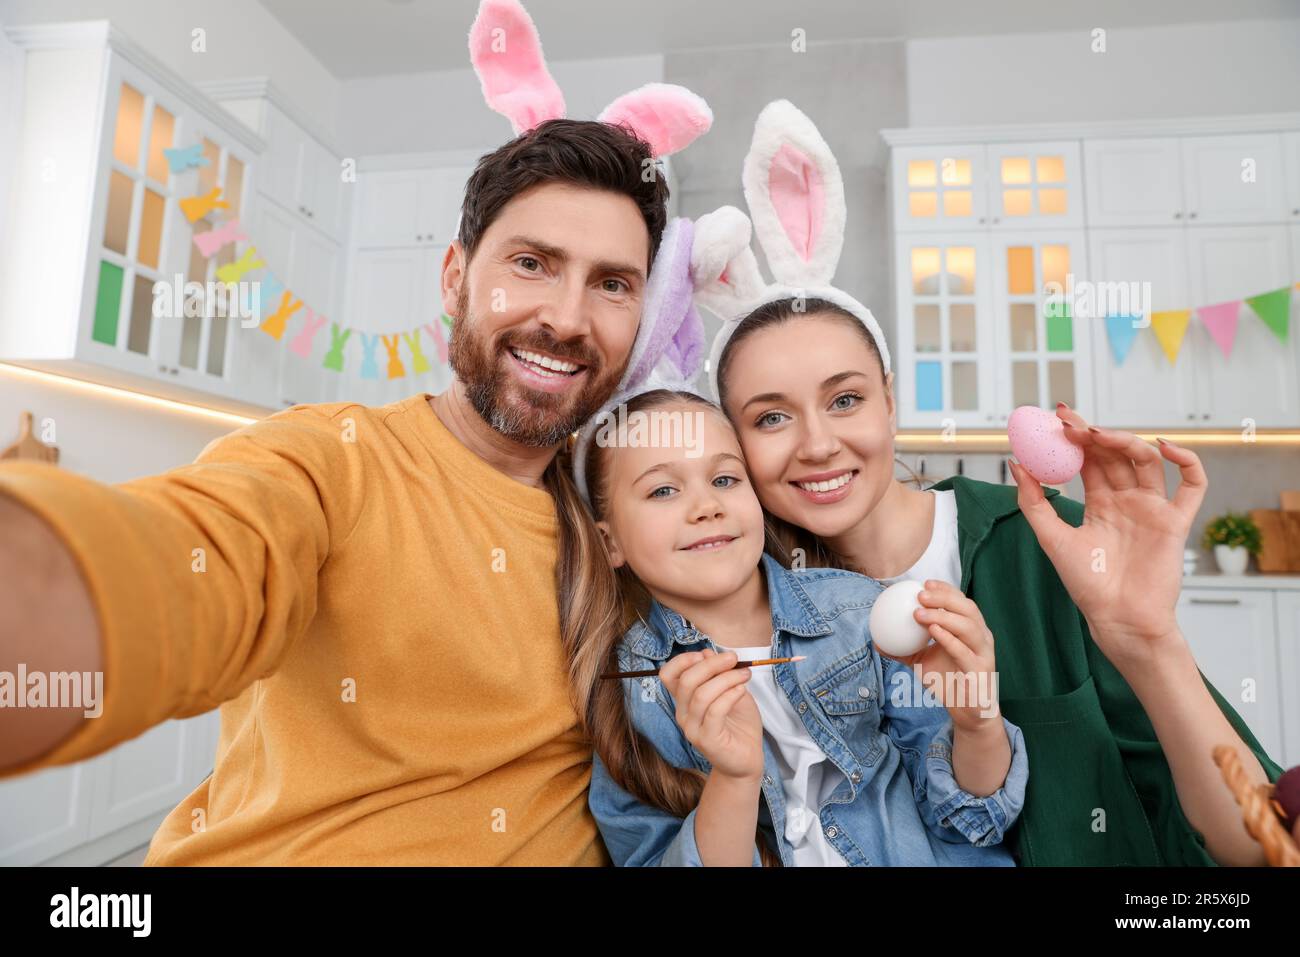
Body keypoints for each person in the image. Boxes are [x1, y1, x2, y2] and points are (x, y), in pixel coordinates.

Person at [0, 0, 715, 864]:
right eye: (531, 264)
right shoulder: (326, 463)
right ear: (455, 279)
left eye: (612, 284)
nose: (567, 318)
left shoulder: (625, 513)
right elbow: (193, 559)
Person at [692, 98, 1281, 866]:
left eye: (845, 399)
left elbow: (1259, 848)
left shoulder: (1040, 545)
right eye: (770, 418)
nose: (818, 444)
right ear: (735, 441)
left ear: (891, 401)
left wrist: (1147, 641)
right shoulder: (751, 614)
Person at [563, 271, 1030, 863]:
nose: (706, 506)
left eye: (725, 479)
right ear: (609, 543)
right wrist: (733, 779)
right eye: (661, 492)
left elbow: (970, 821)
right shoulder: (632, 693)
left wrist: (976, 721)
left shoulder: (857, 611)